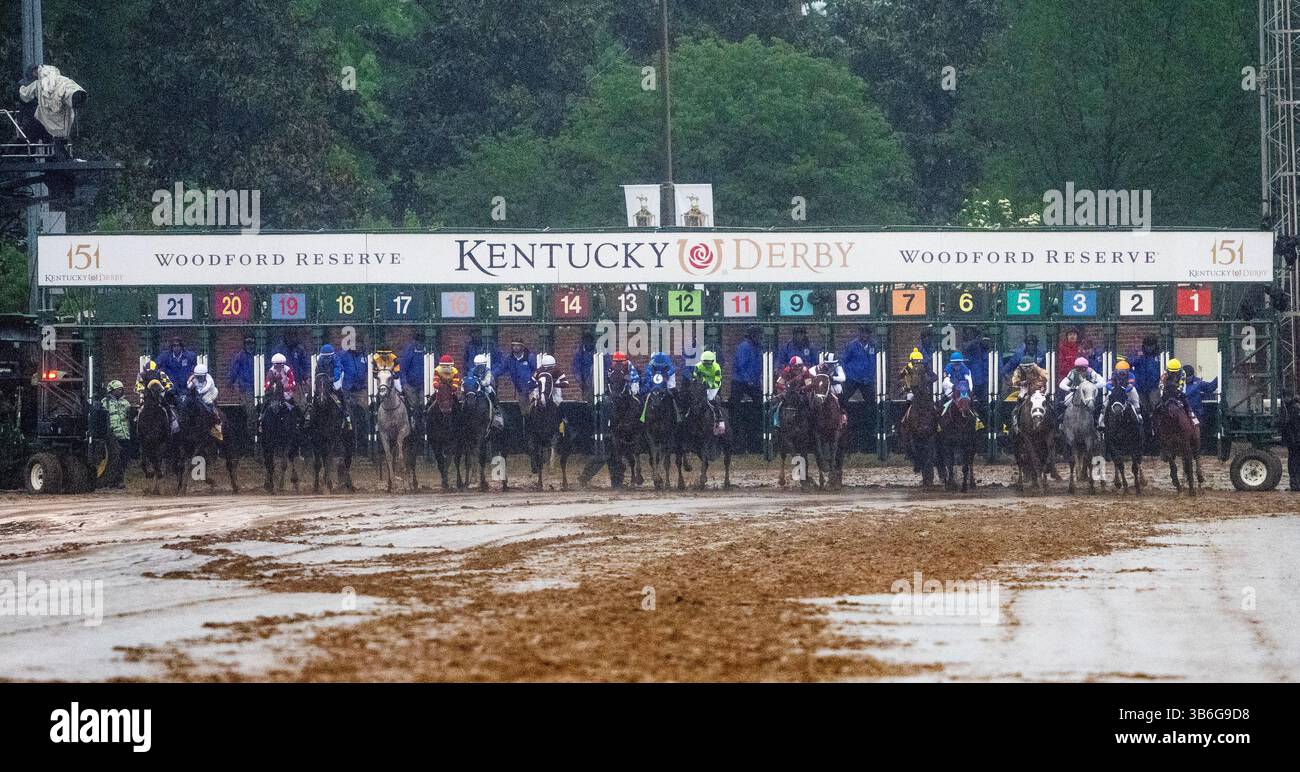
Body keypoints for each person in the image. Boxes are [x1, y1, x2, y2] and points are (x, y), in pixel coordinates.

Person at [100, 380, 131, 489]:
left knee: (124, 459)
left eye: (121, 389)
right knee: (114, 459)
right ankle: (111, 481)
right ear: (111, 391)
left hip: (125, 435)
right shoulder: (105, 402)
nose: (120, 391)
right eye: (117, 389)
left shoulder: (126, 403)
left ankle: (119, 480)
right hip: (112, 435)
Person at [1100, 359, 1142, 430]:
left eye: (1124, 372)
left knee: (1135, 400)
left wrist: (1123, 390)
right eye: (1120, 372)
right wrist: (1114, 389)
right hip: (1117, 391)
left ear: (1128, 371)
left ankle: (1138, 415)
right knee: (1106, 402)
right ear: (1116, 371)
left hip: (1128, 391)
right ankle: (1101, 421)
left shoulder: (1131, 376)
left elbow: (1131, 386)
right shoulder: (1113, 374)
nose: (1121, 374)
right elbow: (1108, 384)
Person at [839, 325, 877, 403]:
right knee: (843, 399)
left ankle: (870, 415)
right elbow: (844, 361)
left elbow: (874, 361)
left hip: (867, 380)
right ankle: (843, 414)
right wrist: (849, 374)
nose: (865, 335)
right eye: (862, 333)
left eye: (867, 333)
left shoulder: (873, 345)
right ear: (859, 334)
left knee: (871, 402)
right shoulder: (852, 345)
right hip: (853, 379)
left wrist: (870, 375)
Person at [772, 356, 813, 427]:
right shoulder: (786, 371)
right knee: (778, 405)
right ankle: (776, 422)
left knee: (810, 404)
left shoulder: (805, 371)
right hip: (788, 392)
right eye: (795, 367)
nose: (797, 369)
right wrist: (784, 387)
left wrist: (802, 388)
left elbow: (809, 386)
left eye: (799, 367)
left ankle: (811, 422)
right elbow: (778, 384)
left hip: (801, 393)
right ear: (791, 367)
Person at [229, 336, 257, 438]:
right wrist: (231, 382)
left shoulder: (258, 355)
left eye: (252, 344)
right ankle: (251, 434)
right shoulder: (240, 356)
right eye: (248, 344)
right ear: (245, 345)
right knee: (250, 410)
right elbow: (234, 371)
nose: (250, 346)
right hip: (246, 387)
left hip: (259, 387)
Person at [466, 352, 503, 429]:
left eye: (482, 366)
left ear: (485, 365)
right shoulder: (471, 370)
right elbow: (470, 379)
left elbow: (487, 381)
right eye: (478, 366)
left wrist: (481, 382)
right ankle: (464, 408)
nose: (480, 368)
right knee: (468, 393)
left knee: (490, 391)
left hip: (485, 387)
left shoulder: (487, 371)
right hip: (475, 388)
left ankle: (496, 410)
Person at [187, 363, 223, 440]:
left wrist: (198, 392)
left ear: (205, 375)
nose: (199, 378)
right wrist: (191, 383)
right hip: (198, 395)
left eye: (201, 377)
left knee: (208, 405)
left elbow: (205, 389)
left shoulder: (209, 380)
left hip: (209, 394)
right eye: (198, 376)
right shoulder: (194, 378)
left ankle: (217, 421)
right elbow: (188, 386)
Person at [731, 325, 764, 406]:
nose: (761, 337)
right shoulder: (745, 346)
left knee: (759, 402)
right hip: (740, 381)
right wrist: (748, 380)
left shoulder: (757, 347)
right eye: (759, 335)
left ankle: (759, 418)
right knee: (735, 405)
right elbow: (741, 365)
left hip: (753, 382)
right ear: (753, 336)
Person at [693, 350, 725, 432]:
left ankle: (719, 417)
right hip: (703, 382)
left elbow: (717, 383)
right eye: (705, 363)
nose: (707, 365)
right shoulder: (697, 366)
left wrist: (709, 385)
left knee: (710, 398)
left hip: (714, 384)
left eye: (709, 363)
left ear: (713, 362)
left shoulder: (717, 367)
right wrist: (700, 382)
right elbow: (694, 377)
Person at [1158, 358, 1198, 425]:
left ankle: (1191, 413)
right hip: (1167, 389)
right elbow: (1161, 384)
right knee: (1159, 401)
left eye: (1175, 371)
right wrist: (1164, 391)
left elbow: (1182, 384)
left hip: (1178, 389)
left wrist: (1178, 391)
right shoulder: (1165, 373)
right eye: (1172, 372)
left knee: (1184, 398)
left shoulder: (1182, 373)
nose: (1174, 373)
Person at [1130, 335, 1163, 412]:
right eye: (1147, 346)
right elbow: (1128, 364)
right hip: (1140, 387)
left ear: (1155, 346)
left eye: (1151, 346)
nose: (1149, 348)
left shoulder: (1160, 357)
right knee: (1141, 407)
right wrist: (1133, 378)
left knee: (1155, 406)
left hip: (1155, 387)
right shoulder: (1139, 357)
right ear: (1144, 346)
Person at [1276, 393, 1300, 490]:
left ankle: (1295, 484)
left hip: (1293, 441)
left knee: (1294, 463)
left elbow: (1290, 425)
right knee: (1295, 463)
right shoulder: (1295, 408)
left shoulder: (1291, 408)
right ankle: (1295, 485)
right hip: (1295, 441)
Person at [397, 333, 426, 407]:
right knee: (414, 404)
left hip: (425, 385)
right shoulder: (409, 351)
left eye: (421, 342)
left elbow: (435, 365)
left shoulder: (430, 350)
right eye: (417, 341)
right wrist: (404, 384)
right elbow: (403, 369)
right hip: (410, 385)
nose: (419, 344)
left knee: (424, 403)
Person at [941, 351, 974, 416]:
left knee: (973, 403)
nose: (957, 365)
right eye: (955, 363)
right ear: (952, 363)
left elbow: (969, 381)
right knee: (941, 404)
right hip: (951, 390)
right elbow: (946, 381)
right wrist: (952, 386)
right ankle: (941, 416)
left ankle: (975, 416)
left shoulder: (965, 369)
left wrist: (969, 389)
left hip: (964, 390)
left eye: (958, 363)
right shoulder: (948, 369)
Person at [572, 332, 597, 400]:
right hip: (585, 381)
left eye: (590, 341)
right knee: (587, 398)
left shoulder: (597, 351)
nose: (588, 343)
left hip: (597, 380)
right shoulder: (579, 353)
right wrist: (581, 381)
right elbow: (576, 369)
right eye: (587, 340)